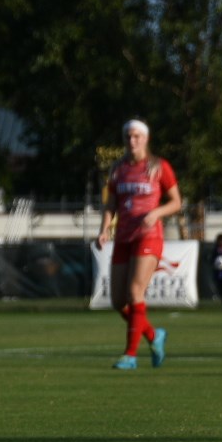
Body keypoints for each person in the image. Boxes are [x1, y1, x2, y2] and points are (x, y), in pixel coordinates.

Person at [96, 119, 183, 370]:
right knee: (118, 302)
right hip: (123, 237)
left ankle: (130, 356)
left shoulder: (158, 166)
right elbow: (111, 204)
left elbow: (176, 202)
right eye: (127, 137)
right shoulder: (118, 169)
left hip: (148, 236)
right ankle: (155, 336)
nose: (132, 141)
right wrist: (104, 230)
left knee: (135, 292)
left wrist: (156, 213)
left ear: (145, 139)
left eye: (136, 136)